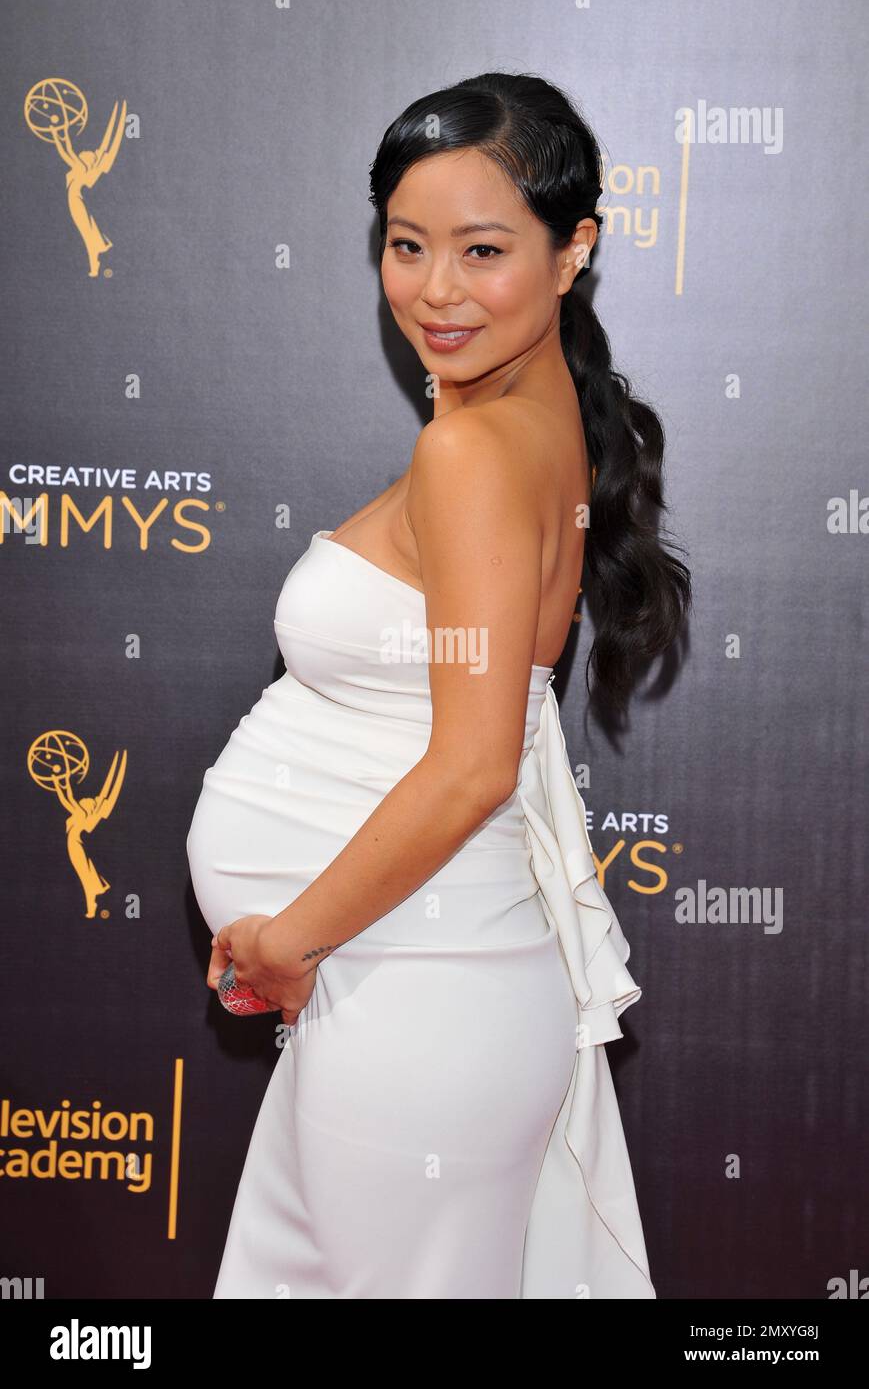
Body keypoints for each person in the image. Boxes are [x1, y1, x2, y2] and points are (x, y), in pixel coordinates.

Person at [186, 70, 691, 1299]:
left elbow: (470, 761)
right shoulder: (543, 411)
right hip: (405, 989)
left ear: (573, 250)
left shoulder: (469, 446)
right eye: (405, 246)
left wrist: (287, 939)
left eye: (482, 249)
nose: (436, 290)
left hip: (402, 994)